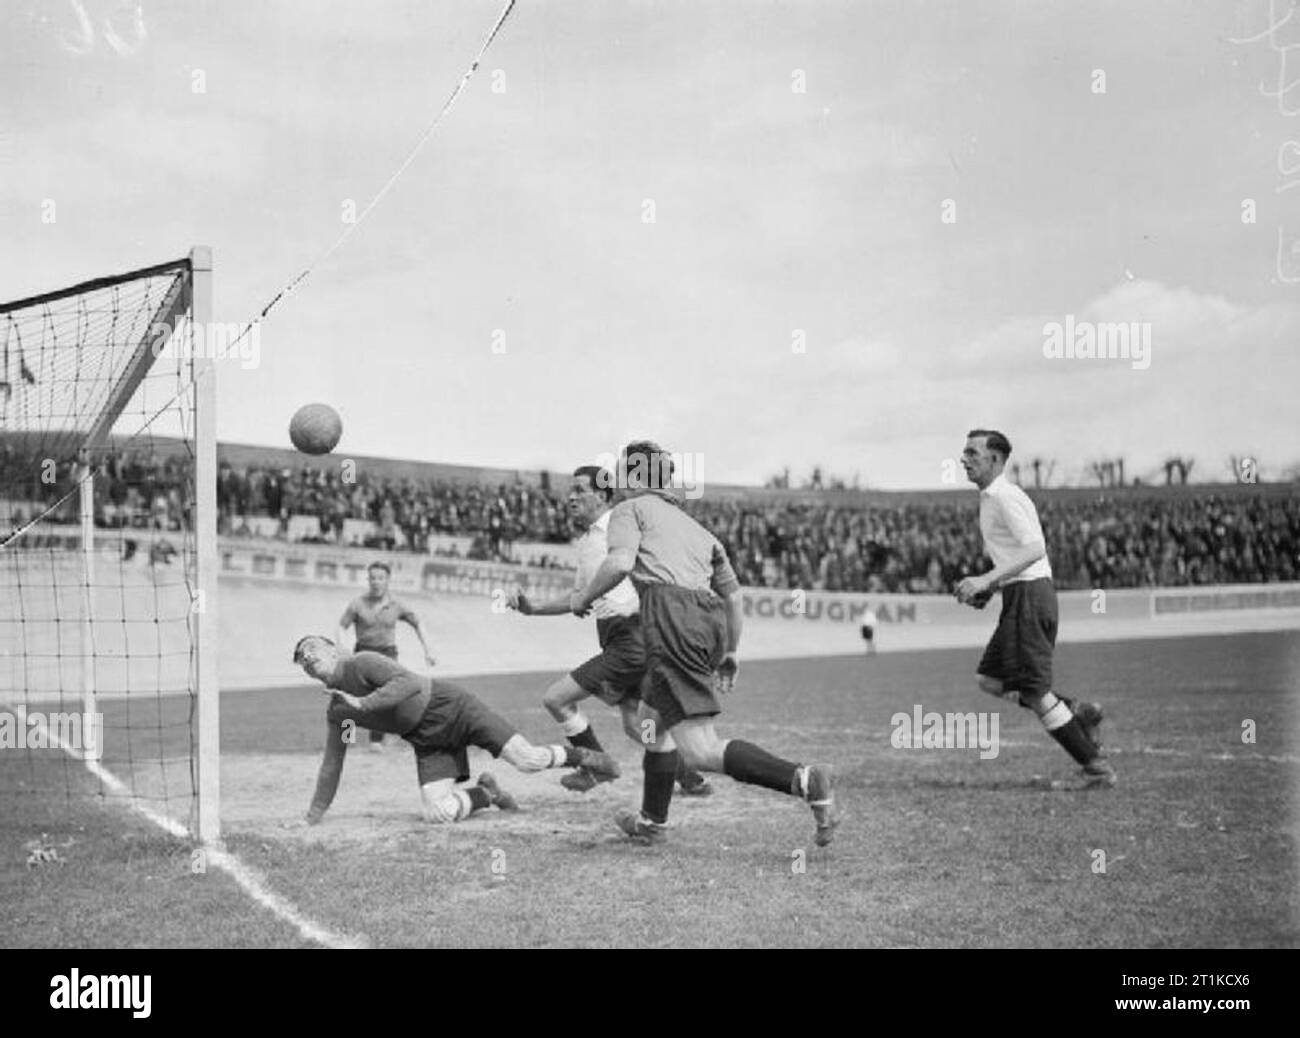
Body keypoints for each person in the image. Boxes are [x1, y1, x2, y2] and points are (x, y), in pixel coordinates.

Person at [571, 441, 838, 847]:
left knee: (699, 750)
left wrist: (585, 598)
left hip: (669, 616)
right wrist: (730, 650)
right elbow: (733, 596)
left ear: (640, 477)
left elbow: (620, 563)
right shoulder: (700, 531)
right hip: (707, 620)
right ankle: (652, 822)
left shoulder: (629, 510)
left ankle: (804, 779)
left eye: (625, 470)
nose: (619, 479)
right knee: (648, 723)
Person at [508, 465, 712, 796]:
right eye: (569, 490)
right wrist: (534, 609)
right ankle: (690, 778)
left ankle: (594, 768)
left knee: (556, 699)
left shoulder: (622, 527)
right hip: (620, 639)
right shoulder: (588, 541)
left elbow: (646, 569)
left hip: (632, 639)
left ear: (602, 495)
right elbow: (578, 599)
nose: (571, 497)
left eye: (579, 490)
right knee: (636, 725)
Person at [292, 636, 619, 826]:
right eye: (301, 659)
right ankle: (487, 794)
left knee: (527, 760)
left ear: (333, 650)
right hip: (427, 740)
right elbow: (334, 763)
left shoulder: (361, 663)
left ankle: (588, 757)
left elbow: (406, 682)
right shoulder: (339, 713)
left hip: (452, 707)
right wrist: (314, 814)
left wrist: (362, 704)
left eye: (313, 650)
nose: (307, 658)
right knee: (436, 813)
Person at [955, 429, 1116, 788]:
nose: (963, 460)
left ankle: (1095, 767)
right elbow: (1019, 554)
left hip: (1030, 597)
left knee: (1035, 693)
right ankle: (1078, 712)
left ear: (995, 460)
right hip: (1020, 595)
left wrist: (984, 580)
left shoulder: (1004, 497)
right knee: (990, 679)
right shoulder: (991, 498)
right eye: (963, 453)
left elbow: (1034, 549)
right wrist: (992, 587)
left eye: (972, 453)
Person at [337, 561, 436, 750]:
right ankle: (346, 738)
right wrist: (342, 648)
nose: (376, 582)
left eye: (380, 578)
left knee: (387, 698)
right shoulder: (357, 604)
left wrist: (428, 650)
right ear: (368, 580)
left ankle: (376, 741)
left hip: (388, 655)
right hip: (362, 654)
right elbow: (342, 626)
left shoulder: (397, 605)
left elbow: (418, 623)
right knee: (350, 696)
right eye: (372, 578)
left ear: (388, 580)